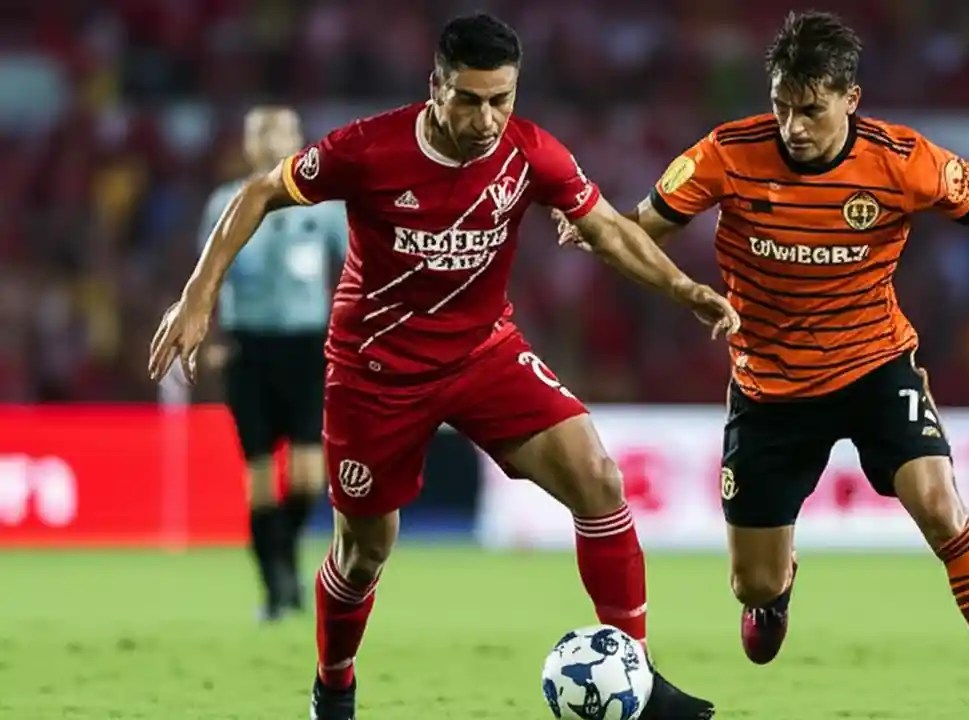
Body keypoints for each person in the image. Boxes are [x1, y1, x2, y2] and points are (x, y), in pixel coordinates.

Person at [556, 11, 969, 720]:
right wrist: (599, 226)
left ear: (850, 99)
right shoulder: (725, 154)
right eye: (782, 106)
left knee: (943, 510)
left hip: (875, 367)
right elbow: (642, 230)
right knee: (752, 588)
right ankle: (775, 592)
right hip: (769, 390)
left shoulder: (903, 160)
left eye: (812, 110)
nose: (794, 125)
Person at [148, 13, 733, 720]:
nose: (487, 119)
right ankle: (333, 685)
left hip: (484, 354)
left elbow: (605, 228)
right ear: (436, 87)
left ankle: (635, 678)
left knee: (598, 479)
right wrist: (197, 296)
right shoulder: (366, 148)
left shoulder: (531, 152)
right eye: (469, 99)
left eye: (501, 100)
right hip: (375, 373)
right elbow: (258, 192)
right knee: (365, 553)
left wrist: (685, 289)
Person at [198, 106, 347, 622]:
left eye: (280, 131)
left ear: (298, 139)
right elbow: (209, 278)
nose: (270, 141)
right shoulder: (226, 202)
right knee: (259, 473)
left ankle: (280, 550)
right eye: (260, 133)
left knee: (309, 476)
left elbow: (356, 266)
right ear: (247, 144)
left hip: (309, 348)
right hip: (249, 349)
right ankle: (277, 585)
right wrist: (210, 335)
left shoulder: (325, 207)